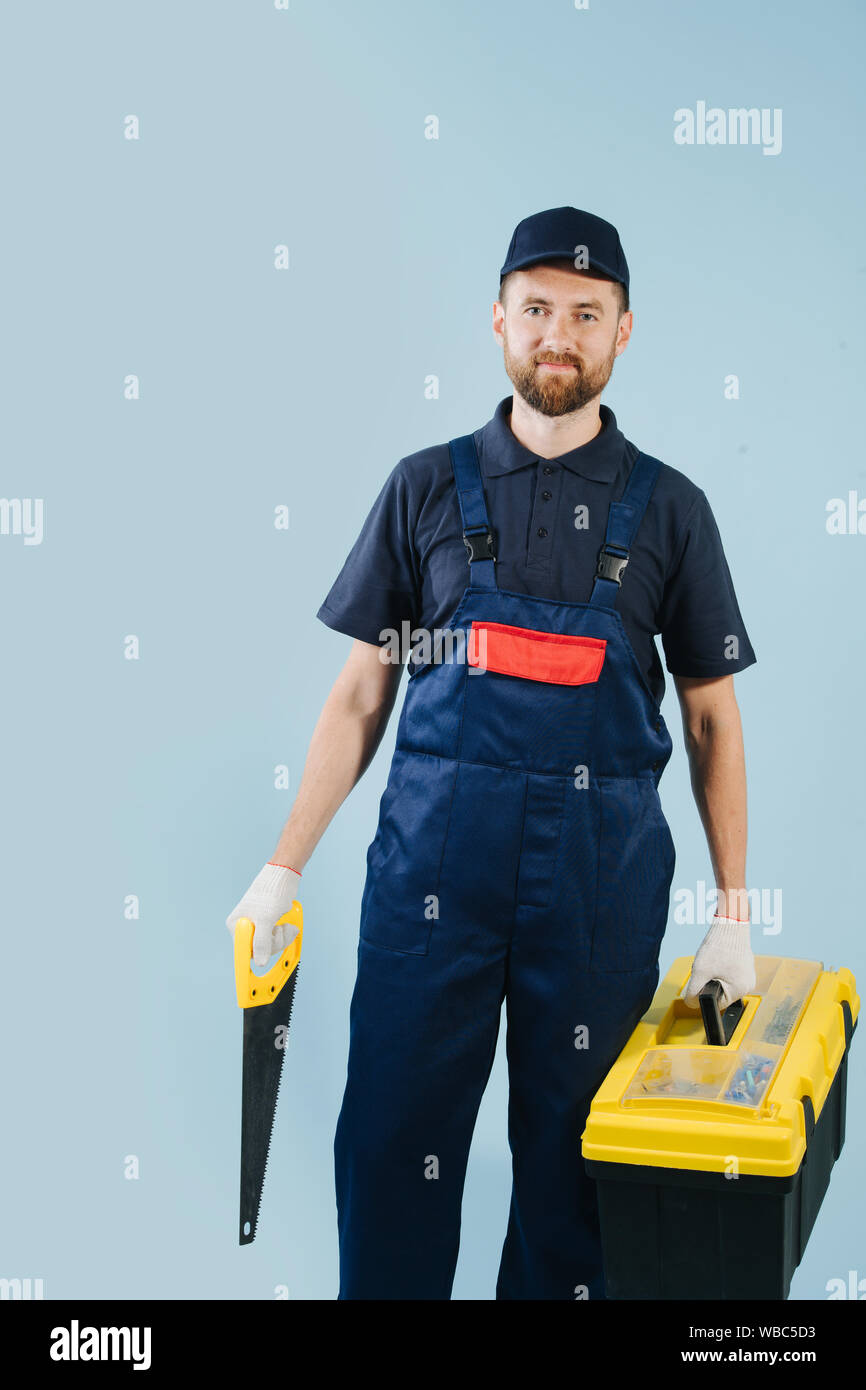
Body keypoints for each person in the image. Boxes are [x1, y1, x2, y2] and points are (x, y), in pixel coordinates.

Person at [226, 206, 757, 1300]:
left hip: (596, 893)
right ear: (497, 322)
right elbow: (362, 691)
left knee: (577, 1180)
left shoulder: (671, 512)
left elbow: (711, 719)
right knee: (388, 1148)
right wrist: (282, 866)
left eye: (583, 313)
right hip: (431, 881)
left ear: (620, 333)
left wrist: (733, 913)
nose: (555, 334)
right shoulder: (423, 487)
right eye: (535, 310)